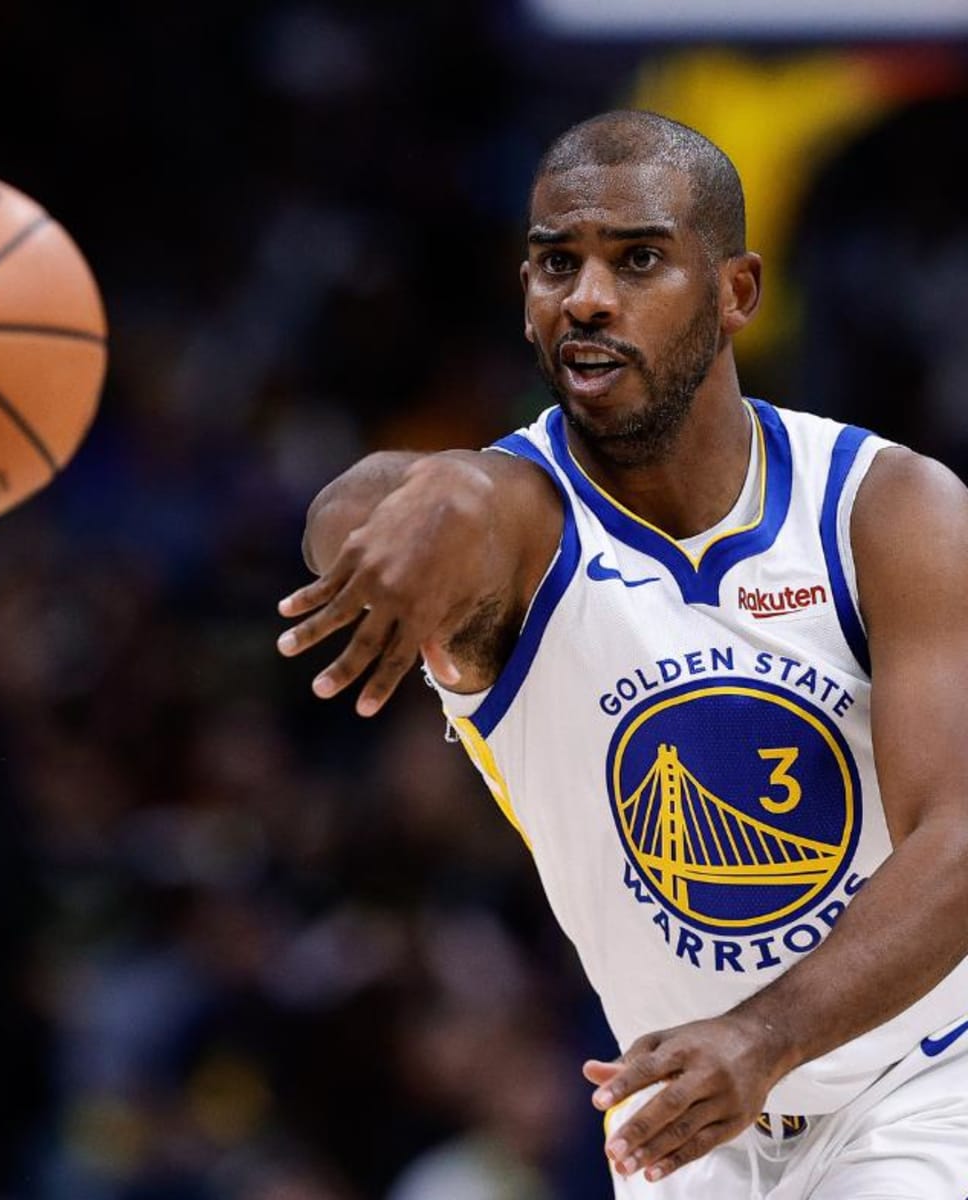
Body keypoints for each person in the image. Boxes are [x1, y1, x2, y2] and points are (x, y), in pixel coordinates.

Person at [274, 109, 968, 1196]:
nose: (589, 298)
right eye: (558, 264)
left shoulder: (890, 509)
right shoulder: (522, 522)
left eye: (638, 259)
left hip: (925, 1082)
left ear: (736, 291)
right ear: (526, 296)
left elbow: (959, 841)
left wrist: (764, 1035)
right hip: (684, 1117)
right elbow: (382, 511)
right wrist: (410, 498)